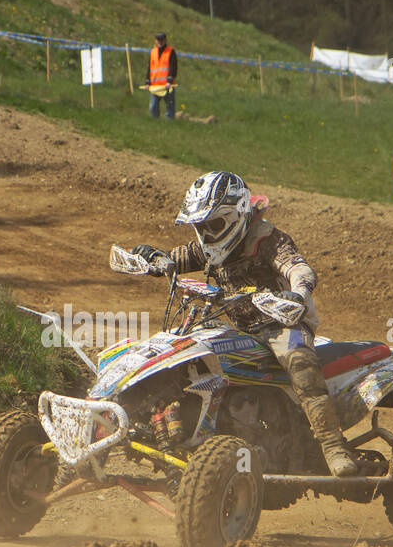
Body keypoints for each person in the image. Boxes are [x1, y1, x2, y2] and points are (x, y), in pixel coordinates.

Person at [131, 171, 359, 477]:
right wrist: (154, 259)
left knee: (300, 364)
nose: (207, 233)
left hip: (283, 323)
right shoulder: (210, 245)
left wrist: (297, 292)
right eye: (200, 226)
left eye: (213, 225)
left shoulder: (266, 239)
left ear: (237, 216)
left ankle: (332, 446)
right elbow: (179, 258)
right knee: (186, 350)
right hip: (240, 328)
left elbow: (299, 268)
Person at [144, 32, 177, 119]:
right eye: (158, 40)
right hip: (155, 86)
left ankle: (170, 123)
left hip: (167, 85)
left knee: (170, 106)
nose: (160, 42)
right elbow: (149, 68)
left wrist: (169, 81)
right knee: (153, 106)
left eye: (162, 40)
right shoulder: (153, 52)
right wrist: (148, 82)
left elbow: (173, 67)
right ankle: (155, 122)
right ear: (155, 41)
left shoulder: (170, 51)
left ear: (165, 40)